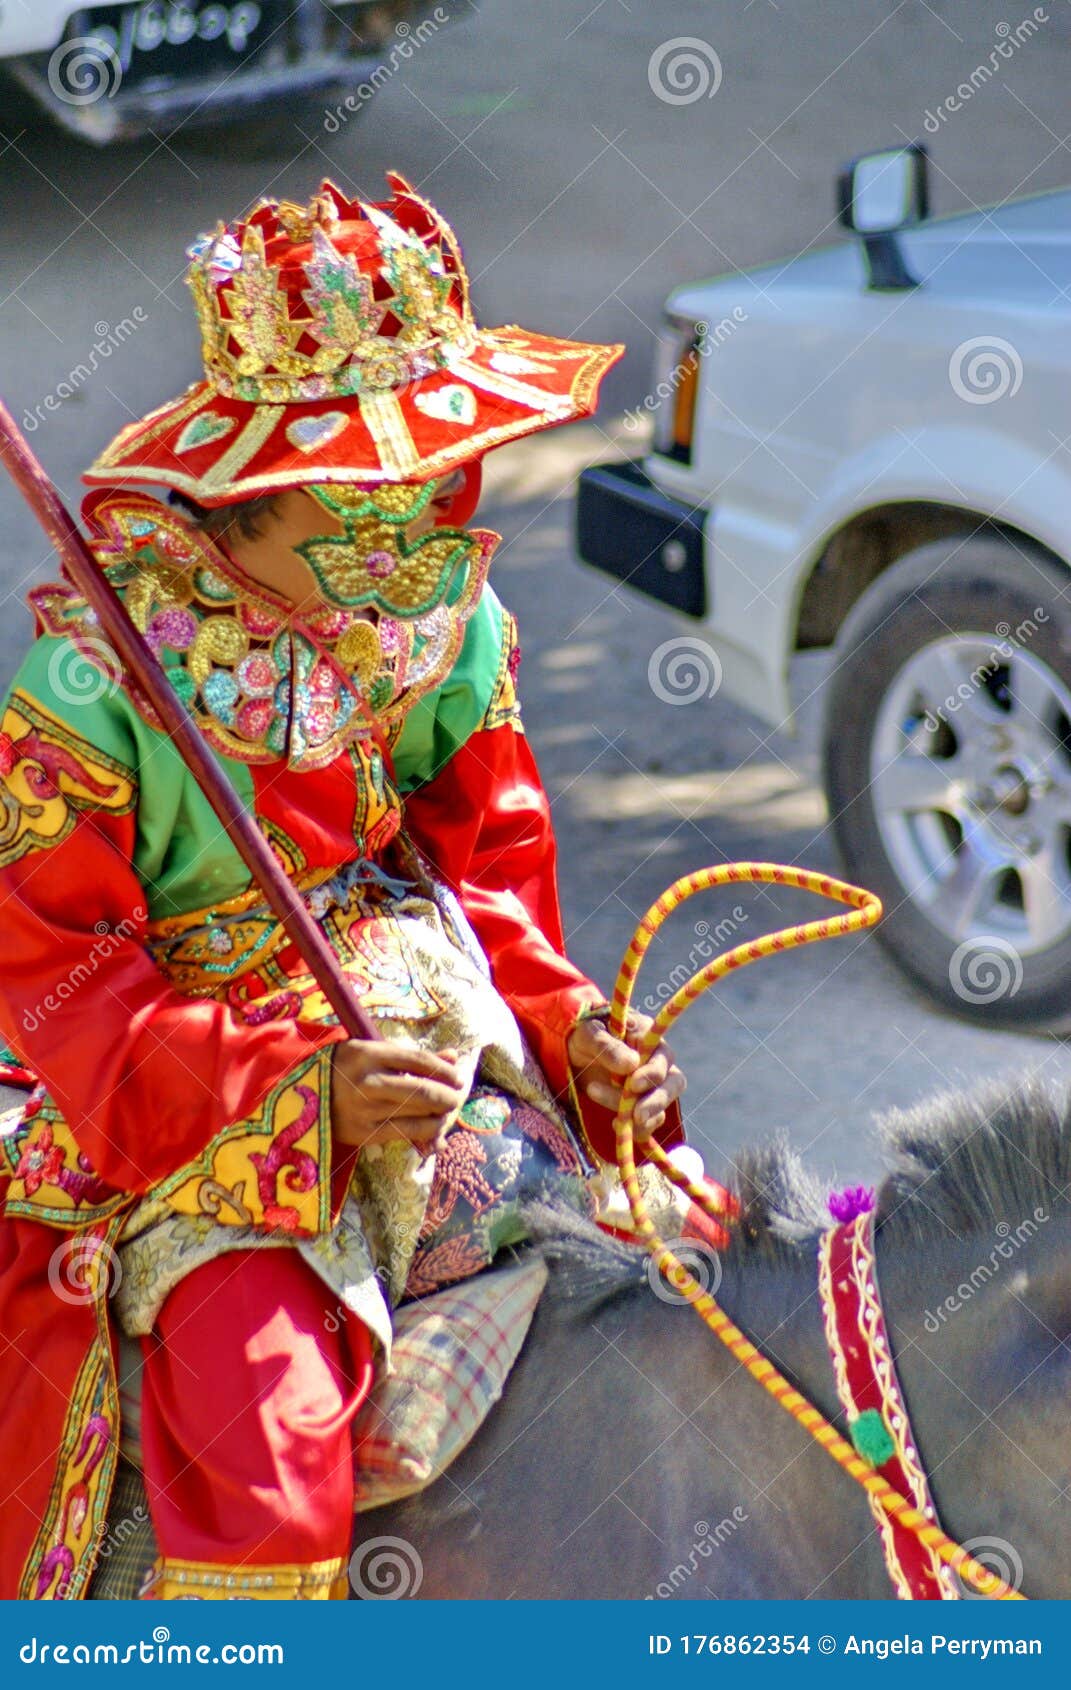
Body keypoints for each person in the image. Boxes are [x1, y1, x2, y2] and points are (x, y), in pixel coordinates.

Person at [0, 175, 708, 1601]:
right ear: (253, 493)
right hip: (189, 1098)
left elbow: (487, 867)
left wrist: (569, 1029)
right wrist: (291, 1090)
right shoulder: (88, 685)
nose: (415, 527)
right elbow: (52, 979)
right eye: (365, 491)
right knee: (262, 1462)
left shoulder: (440, 620)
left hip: (427, 1006)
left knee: (700, 1257)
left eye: (426, 478)